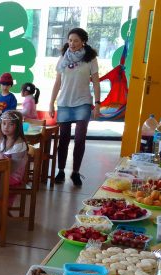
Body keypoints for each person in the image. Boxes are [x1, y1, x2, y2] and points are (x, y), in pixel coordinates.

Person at [48, 27, 101, 187]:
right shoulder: (63, 58)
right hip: (64, 103)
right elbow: (57, 82)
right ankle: (61, 170)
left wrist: (97, 104)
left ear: (83, 41)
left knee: (79, 139)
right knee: (63, 139)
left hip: (83, 102)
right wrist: (51, 102)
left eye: (76, 40)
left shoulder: (90, 59)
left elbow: (96, 83)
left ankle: (76, 172)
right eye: (70, 40)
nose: (72, 43)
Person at [0, 111, 29, 189]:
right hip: (4, 172)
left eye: (11, 124)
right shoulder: (4, 139)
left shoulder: (19, 144)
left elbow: (13, 168)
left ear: (18, 126)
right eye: (4, 123)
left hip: (13, 176)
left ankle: (1, 200)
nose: (6, 127)